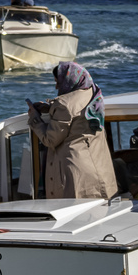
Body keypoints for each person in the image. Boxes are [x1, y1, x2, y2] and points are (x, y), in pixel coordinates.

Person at [27, 61, 119, 199]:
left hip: (75, 174)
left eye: (58, 81)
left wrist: (35, 118)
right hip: (99, 169)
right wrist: (51, 108)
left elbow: (50, 139)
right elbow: (76, 113)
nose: (57, 86)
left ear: (70, 80)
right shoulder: (93, 93)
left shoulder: (63, 104)